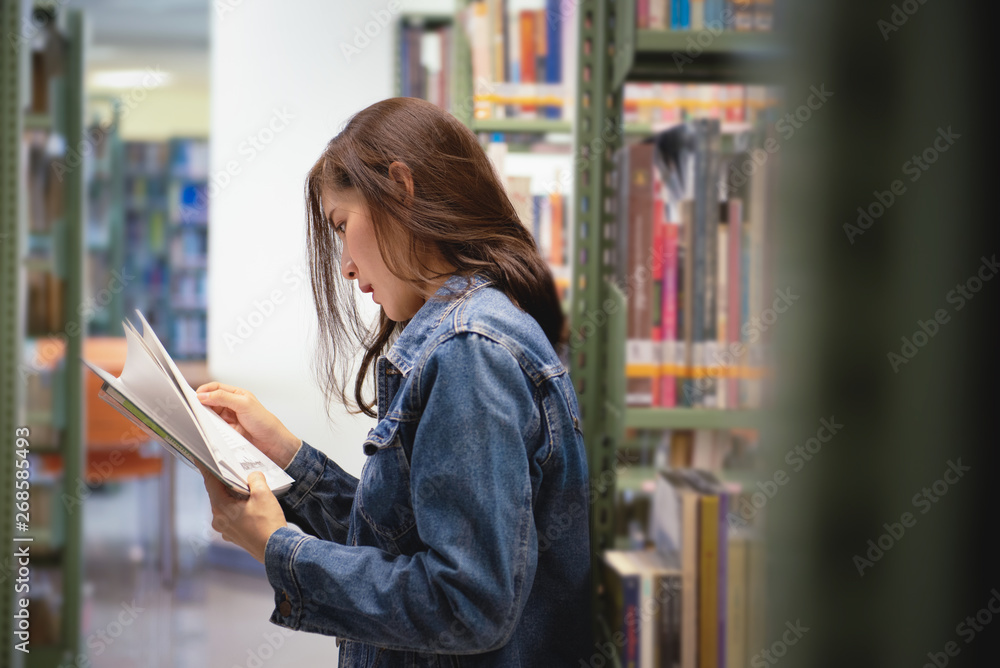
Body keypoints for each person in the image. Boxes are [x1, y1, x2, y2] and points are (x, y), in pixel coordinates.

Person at [195, 97, 593, 667]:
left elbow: (465, 604)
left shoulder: (468, 352)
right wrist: (285, 453)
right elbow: (406, 541)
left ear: (401, 188)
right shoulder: (472, 332)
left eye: (341, 225)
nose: (346, 267)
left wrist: (277, 548)